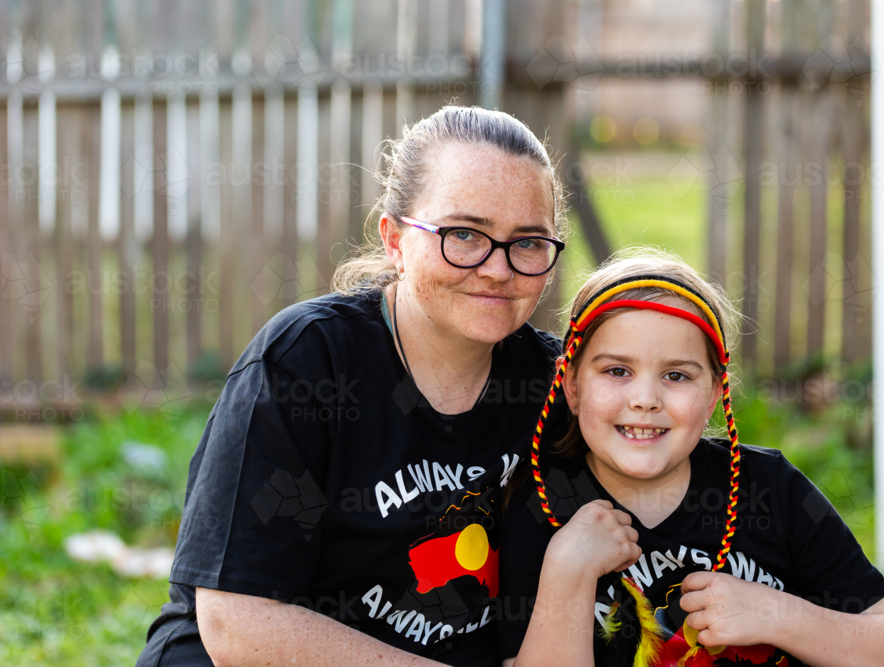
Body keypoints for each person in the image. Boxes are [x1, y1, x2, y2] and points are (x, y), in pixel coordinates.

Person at [136, 106, 571, 667]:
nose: (497, 268)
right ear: (394, 238)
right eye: (464, 234)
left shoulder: (556, 385)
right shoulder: (307, 363)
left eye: (529, 242)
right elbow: (236, 624)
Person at [497, 250, 884, 667]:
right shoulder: (543, 512)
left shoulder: (771, 491)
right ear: (571, 386)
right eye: (617, 371)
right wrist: (566, 573)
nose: (645, 399)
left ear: (713, 396)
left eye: (676, 375)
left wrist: (775, 614)